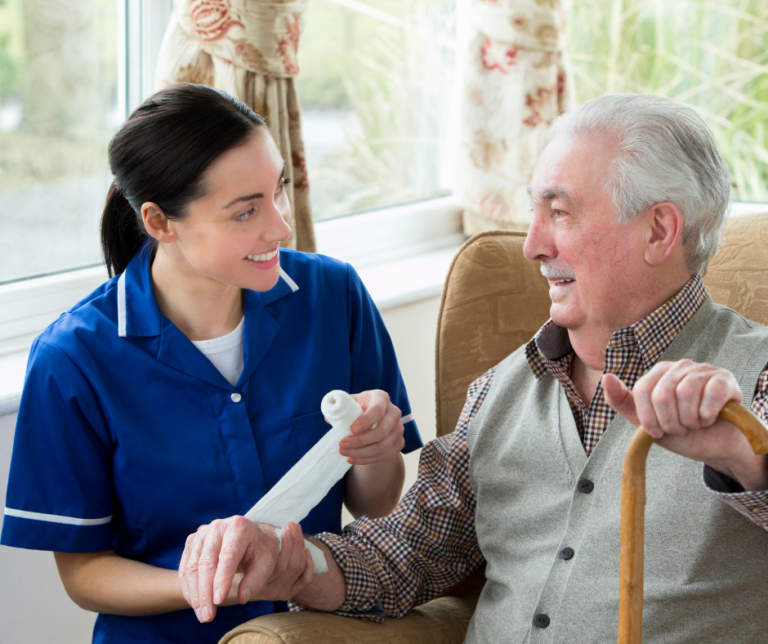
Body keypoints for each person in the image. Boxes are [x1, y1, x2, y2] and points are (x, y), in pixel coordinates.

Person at [178, 93, 768, 643]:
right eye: (533, 212)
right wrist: (292, 562)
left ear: (659, 230)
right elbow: (404, 554)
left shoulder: (757, 376)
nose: (531, 244)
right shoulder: (499, 390)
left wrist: (745, 458)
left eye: (560, 213)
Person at [0, 83, 423, 644]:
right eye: (245, 211)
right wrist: (217, 582)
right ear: (159, 222)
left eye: (278, 192)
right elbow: (84, 575)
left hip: (314, 633)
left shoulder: (334, 296)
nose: (279, 226)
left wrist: (374, 449)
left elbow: (375, 501)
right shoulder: (72, 360)